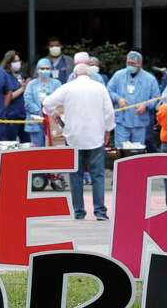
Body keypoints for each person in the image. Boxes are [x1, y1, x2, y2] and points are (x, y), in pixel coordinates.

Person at [43, 63, 115, 221]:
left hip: (73, 137)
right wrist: (108, 130)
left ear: (74, 75)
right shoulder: (100, 87)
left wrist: (53, 112)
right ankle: (100, 212)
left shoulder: (68, 87)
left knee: (76, 175)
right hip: (96, 136)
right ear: (89, 74)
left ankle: (79, 211)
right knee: (98, 175)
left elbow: (47, 103)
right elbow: (109, 112)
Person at [107, 51, 161, 149]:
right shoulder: (118, 75)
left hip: (139, 121)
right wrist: (118, 99)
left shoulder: (150, 79)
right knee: (121, 150)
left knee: (137, 151)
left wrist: (146, 105)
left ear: (140, 64)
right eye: (128, 63)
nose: (130, 65)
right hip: (122, 120)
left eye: (133, 64)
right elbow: (108, 91)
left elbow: (157, 98)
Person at [24, 58, 62, 146]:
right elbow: (28, 101)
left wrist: (49, 112)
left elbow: (60, 101)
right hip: (35, 121)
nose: (45, 71)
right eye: (42, 68)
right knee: (37, 149)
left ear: (51, 70)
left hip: (53, 120)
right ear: (37, 70)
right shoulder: (32, 84)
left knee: (54, 148)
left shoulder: (57, 83)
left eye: (47, 68)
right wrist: (39, 112)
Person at [1, 50, 29, 142]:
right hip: (11, 117)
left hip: (23, 116)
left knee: (26, 144)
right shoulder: (4, 76)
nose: (18, 63)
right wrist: (22, 89)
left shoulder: (19, 75)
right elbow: (8, 96)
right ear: (8, 63)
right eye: (15, 61)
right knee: (10, 144)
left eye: (18, 61)